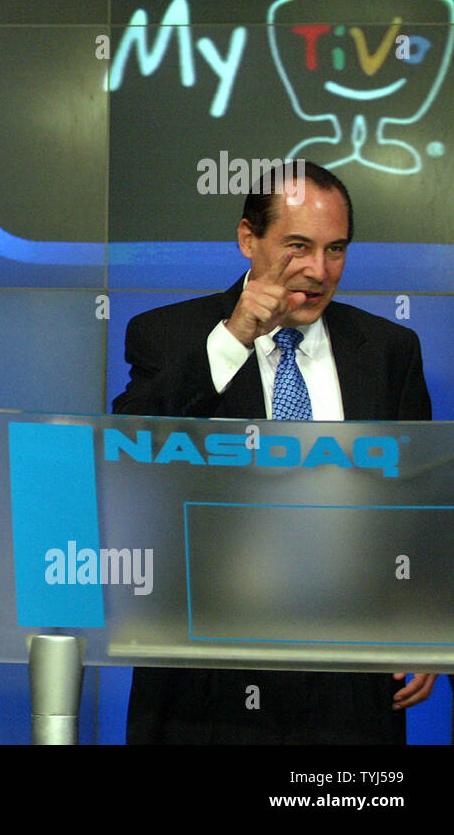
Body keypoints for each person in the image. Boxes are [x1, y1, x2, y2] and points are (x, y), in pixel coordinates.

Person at [112, 160, 436, 744]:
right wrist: (234, 337)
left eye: (336, 249)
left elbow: (419, 505)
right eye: (297, 246)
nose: (317, 271)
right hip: (204, 679)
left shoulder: (389, 351)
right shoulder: (169, 336)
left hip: (350, 680)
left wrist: (431, 629)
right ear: (247, 239)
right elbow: (133, 448)